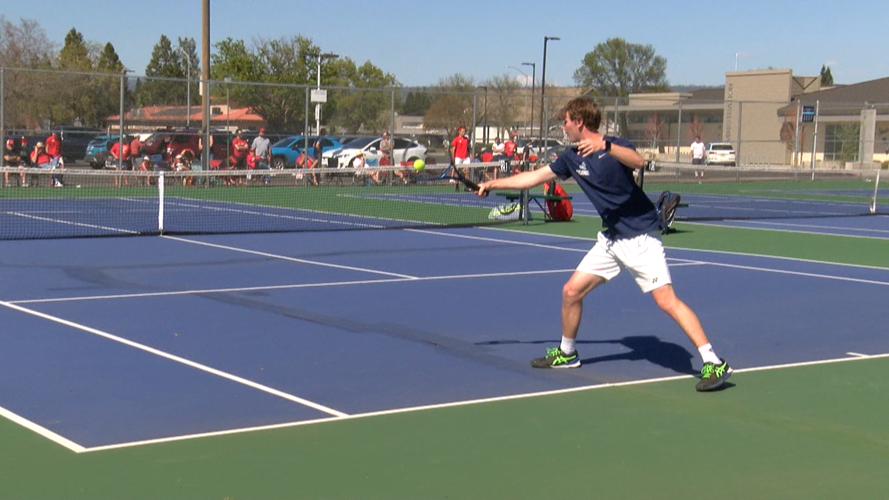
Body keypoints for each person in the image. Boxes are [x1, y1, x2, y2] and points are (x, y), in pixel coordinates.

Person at [476, 97, 732, 392]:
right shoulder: (571, 157)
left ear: (580, 123)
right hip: (611, 239)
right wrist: (492, 185)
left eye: (566, 121)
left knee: (666, 301)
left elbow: (640, 163)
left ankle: (714, 361)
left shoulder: (616, 145)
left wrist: (605, 147)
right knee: (571, 291)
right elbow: (533, 177)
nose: (563, 127)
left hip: (640, 237)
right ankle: (567, 353)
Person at [450, 126, 471, 191]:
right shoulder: (456, 139)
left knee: (467, 171)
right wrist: (453, 158)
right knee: (457, 172)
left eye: (464, 131)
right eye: (462, 131)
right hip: (458, 157)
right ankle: (457, 186)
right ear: (459, 132)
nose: (463, 132)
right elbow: (453, 149)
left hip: (465, 158)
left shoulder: (466, 139)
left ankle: (467, 186)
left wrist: (470, 154)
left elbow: (467, 147)